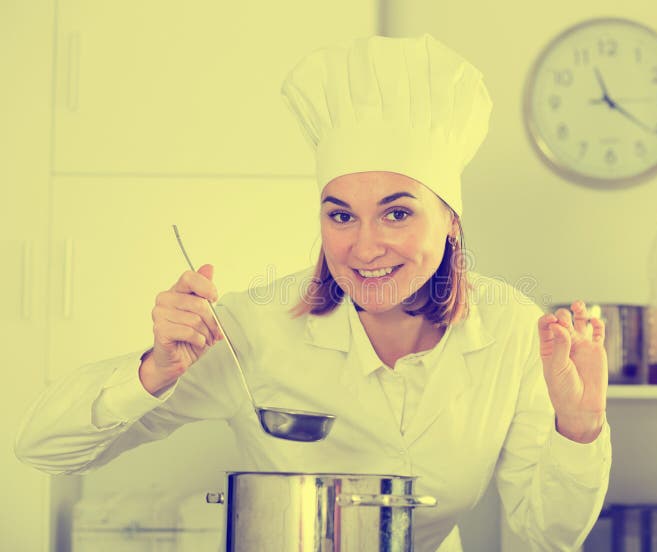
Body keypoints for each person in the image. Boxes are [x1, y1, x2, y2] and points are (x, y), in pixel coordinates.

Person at [15, 34, 611, 551]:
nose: (365, 247)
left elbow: (548, 534)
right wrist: (152, 371)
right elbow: (43, 449)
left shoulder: (512, 331)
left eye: (397, 213)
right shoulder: (254, 329)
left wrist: (579, 427)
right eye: (341, 215)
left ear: (450, 221)